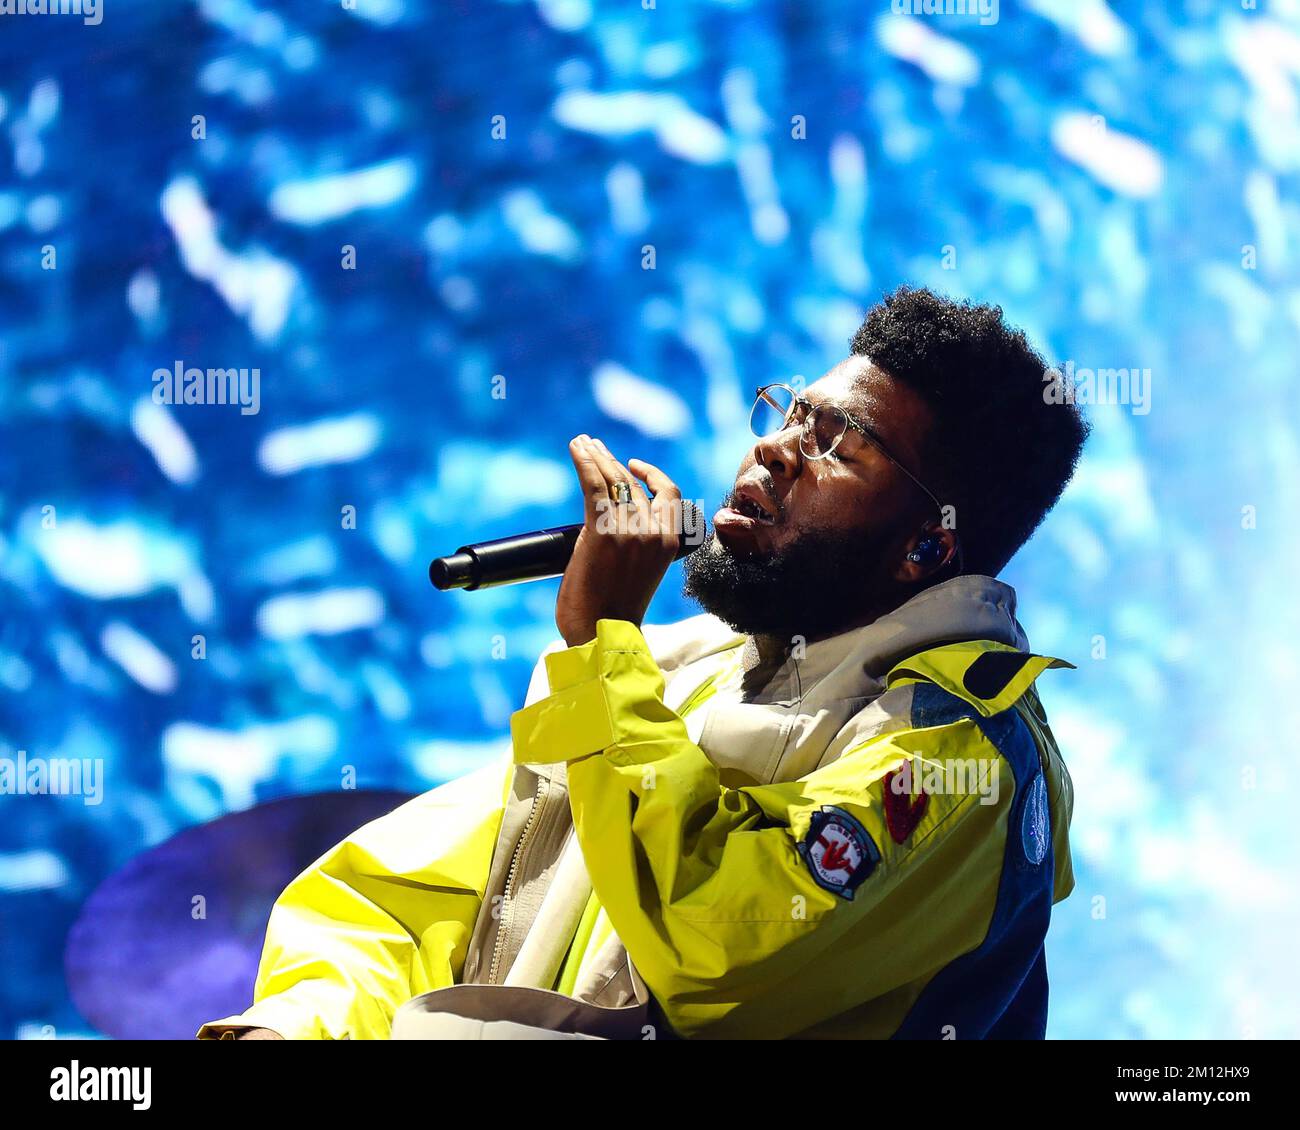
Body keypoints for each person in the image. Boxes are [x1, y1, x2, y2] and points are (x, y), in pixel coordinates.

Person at [198, 286, 1089, 1041]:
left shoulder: (965, 759)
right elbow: (397, 898)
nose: (777, 447)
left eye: (840, 444)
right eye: (794, 412)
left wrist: (598, 645)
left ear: (927, 548)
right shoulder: (674, 669)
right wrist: (295, 1026)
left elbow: (710, 944)